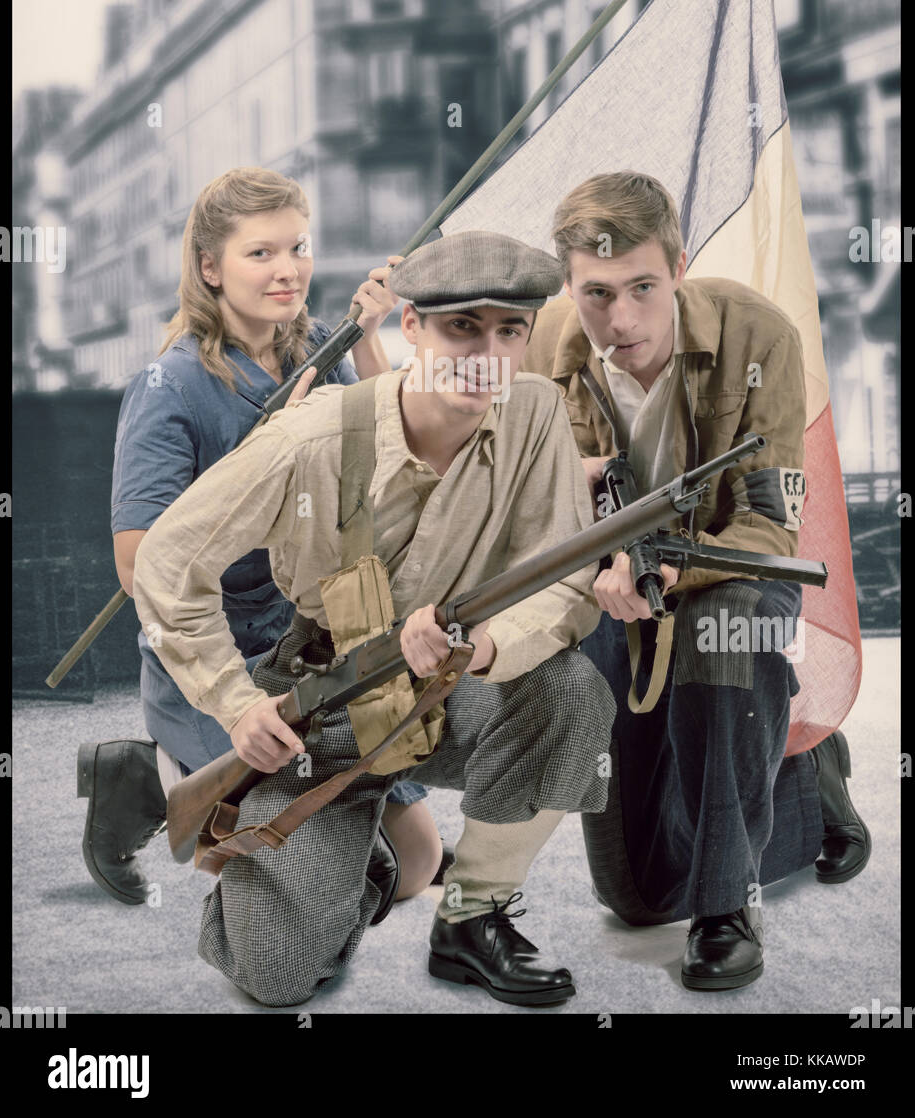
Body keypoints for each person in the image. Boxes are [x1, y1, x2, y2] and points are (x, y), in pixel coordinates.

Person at [130, 230, 616, 1008]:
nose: (485, 354)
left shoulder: (533, 413)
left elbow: (562, 577)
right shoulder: (313, 436)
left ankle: (471, 914)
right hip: (324, 702)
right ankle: (344, 867)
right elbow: (166, 560)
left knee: (569, 691)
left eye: (509, 331)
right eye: (462, 326)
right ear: (412, 327)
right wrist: (234, 701)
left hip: (451, 681)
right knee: (274, 977)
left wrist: (491, 643)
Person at [520, 171, 871, 991]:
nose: (622, 318)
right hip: (605, 585)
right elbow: (529, 500)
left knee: (724, 637)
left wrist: (672, 570)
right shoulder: (544, 348)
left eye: (643, 286)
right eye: (596, 293)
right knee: (638, 897)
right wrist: (598, 552)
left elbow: (769, 518)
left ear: (677, 265)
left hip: (728, 569)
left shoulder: (759, 337)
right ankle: (801, 775)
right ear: (570, 287)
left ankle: (726, 907)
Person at [78, 166, 445, 915]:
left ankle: (300, 824)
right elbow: (137, 565)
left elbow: (389, 445)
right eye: (260, 254)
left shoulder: (318, 346)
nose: (288, 270)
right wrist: (275, 444)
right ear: (209, 268)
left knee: (415, 865)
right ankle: (146, 776)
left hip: (317, 636)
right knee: (299, 877)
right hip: (224, 657)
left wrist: (371, 340)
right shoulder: (168, 388)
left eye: (298, 247)